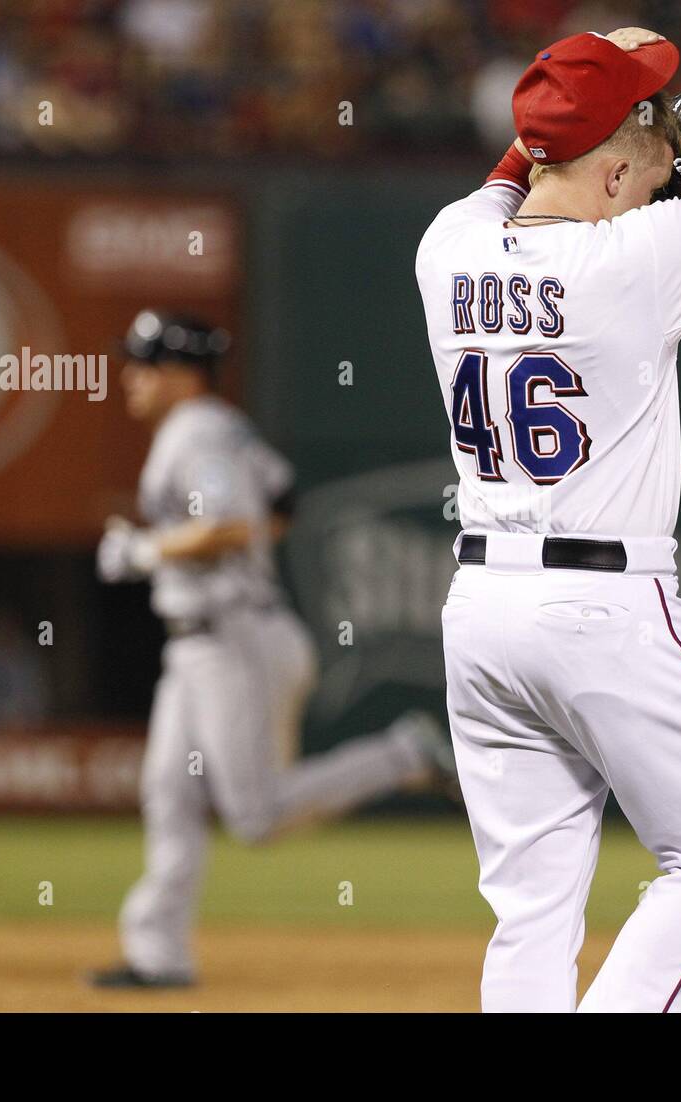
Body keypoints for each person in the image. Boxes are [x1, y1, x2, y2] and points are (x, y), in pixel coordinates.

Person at [415, 28, 681, 1011]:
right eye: (647, 147)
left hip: (480, 612)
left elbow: (522, 161)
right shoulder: (632, 257)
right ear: (615, 166)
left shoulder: (447, 245)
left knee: (531, 907)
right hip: (602, 605)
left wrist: (582, 81)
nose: (660, 166)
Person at [90, 309, 452, 988]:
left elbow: (232, 523)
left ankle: (401, 755)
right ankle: (158, 954)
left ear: (179, 372)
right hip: (203, 642)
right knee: (168, 790)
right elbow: (283, 499)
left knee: (256, 817)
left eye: (143, 364)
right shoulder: (223, 430)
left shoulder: (195, 433)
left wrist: (144, 549)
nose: (130, 378)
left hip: (235, 639)